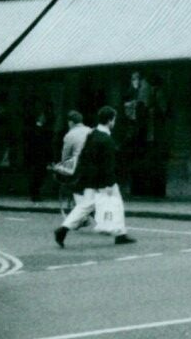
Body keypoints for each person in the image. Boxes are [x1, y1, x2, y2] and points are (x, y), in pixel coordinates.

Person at [55, 106, 133, 248]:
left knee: (84, 206)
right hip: (104, 182)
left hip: (91, 180)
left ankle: (63, 229)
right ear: (110, 121)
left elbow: (85, 157)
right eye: (114, 119)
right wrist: (109, 184)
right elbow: (108, 165)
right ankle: (120, 235)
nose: (114, 122)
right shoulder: (106, 140)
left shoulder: (92, 135)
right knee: (118, 204)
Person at [47, 109, 88, 207]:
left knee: (57, 170)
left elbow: (65, 156)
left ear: (71, 122)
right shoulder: (90, 131)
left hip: (77, 166)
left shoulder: (70, 135)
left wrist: (59, 165)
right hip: (91, 165)